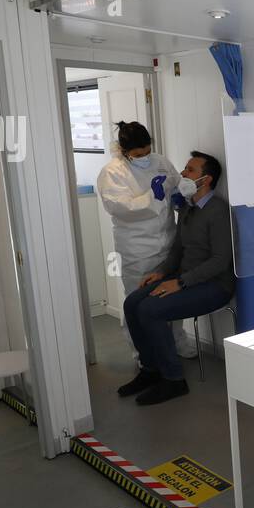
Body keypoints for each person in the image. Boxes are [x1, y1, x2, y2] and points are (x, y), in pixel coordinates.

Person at [117, 153, 235, 406]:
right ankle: (150, 370)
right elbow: (178, 248)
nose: (182, 173)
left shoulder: (218, 211)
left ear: (207, 179)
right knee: (132, 304)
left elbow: (220, 261)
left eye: (190, 170)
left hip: (214, 285)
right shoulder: (189, 208)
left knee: (150, 309)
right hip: (186, 278)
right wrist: (162, 272)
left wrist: (180, 282)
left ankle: (173, 380)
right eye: (185, 168)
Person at [95, 121, 186, 361]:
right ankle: (143, 354)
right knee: (138, 301)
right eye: (138, 154)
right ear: (124, 151)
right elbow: (122, 208)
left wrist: (180, 193)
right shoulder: (113, 173)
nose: (145, 157)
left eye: (147, 151)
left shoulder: (160, 161)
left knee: (173, 298)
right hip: (137, 248)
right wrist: (153, 197)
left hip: (168, 240)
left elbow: (175, 182)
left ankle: (178, 343)